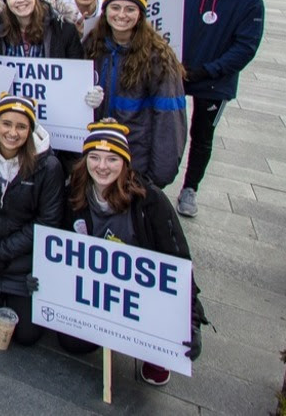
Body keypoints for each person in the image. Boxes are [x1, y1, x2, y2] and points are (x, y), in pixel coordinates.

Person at [47, 120, 206, 386]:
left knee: (159, 341)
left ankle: (154, 352)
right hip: (97, 291)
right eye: (94, 157)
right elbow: (59, 246)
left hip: (141, 296)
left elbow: (178, 262)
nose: (102, 166)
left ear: (125, 162)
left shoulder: (150, 201)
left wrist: (192, 320)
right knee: (72, 342)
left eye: (112, 159)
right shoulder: (74, 194)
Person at [0, 94, 64, 347]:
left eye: (21, 126)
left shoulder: (48, 166)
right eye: (6, 124)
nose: (12, 133)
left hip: (23, 261)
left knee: (27, 334)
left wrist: (4, 251)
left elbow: (47, 221)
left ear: (31, 129)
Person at [176, 0, 265, 217]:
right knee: (167, 128)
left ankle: (190, 188)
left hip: (214, 81)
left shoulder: (250, 1)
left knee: (202, 135)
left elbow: (245, 48)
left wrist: (210, 70)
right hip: (177, 74)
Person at [84, 0, 187, 189]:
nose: (122, 15)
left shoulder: (158, 57)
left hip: (136, 159)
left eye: (130, 9)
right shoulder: (92, 45)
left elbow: (169, 120)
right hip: (97, 156)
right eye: (115, 7)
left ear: (140, 15)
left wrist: (158, 176)